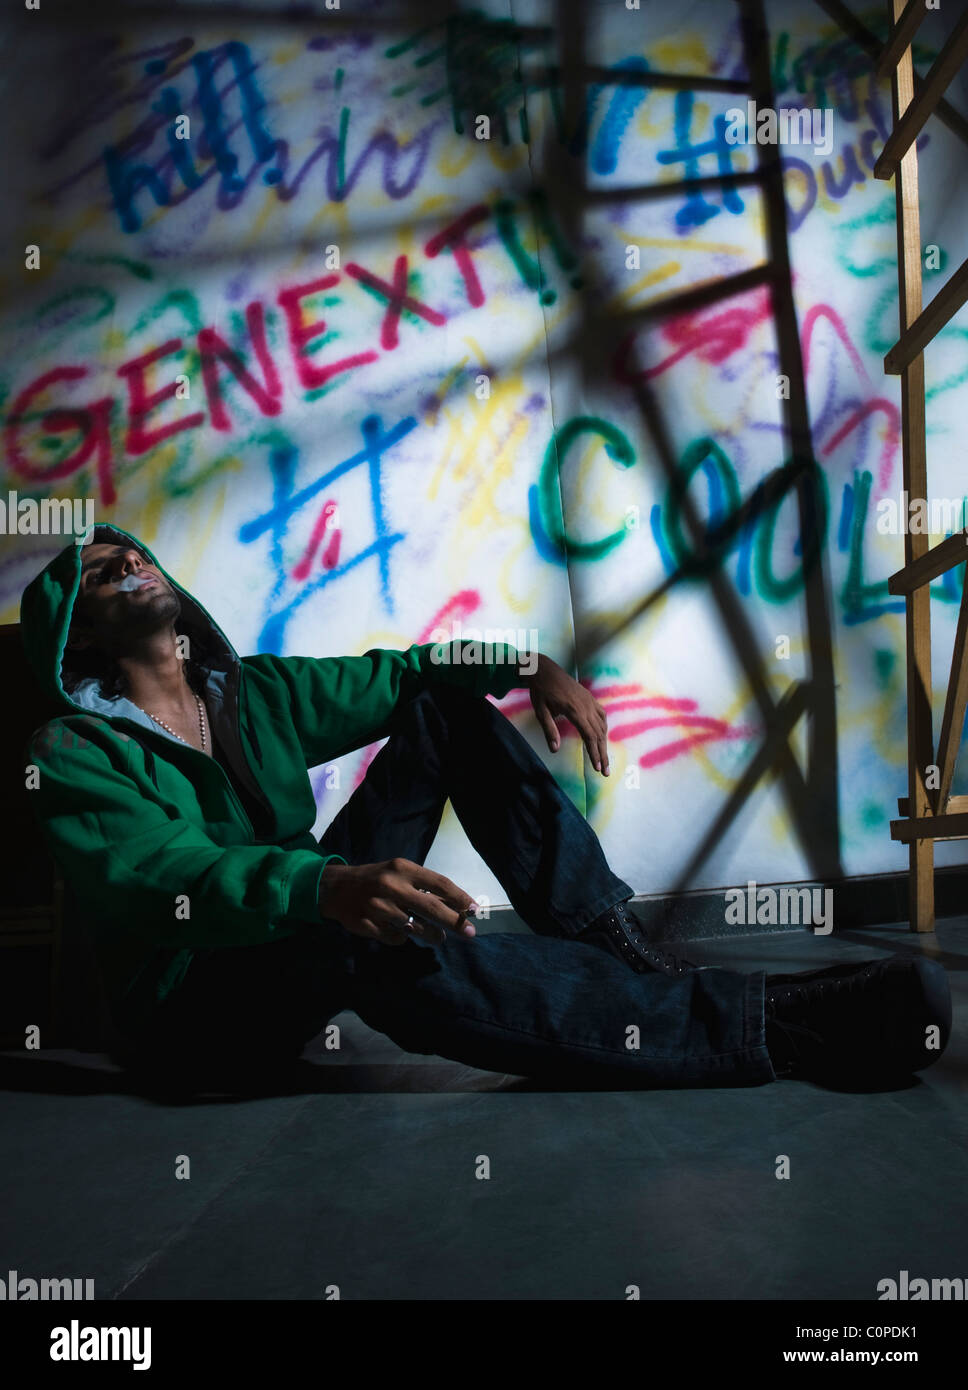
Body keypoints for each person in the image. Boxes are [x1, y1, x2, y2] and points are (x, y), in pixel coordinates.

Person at [19, 524, 951, 1094]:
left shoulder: (250, 692)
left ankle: (611, 945)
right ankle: (767, 1027)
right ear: (85, 635)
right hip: (201, 1018)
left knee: (441, 710)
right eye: (105, 575)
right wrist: (328, 886)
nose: (131, 566)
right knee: (362, 935)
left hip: (299, 921)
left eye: (135, 554)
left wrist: (523, 665)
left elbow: (403, 674)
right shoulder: (75, 749)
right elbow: (156, 875)